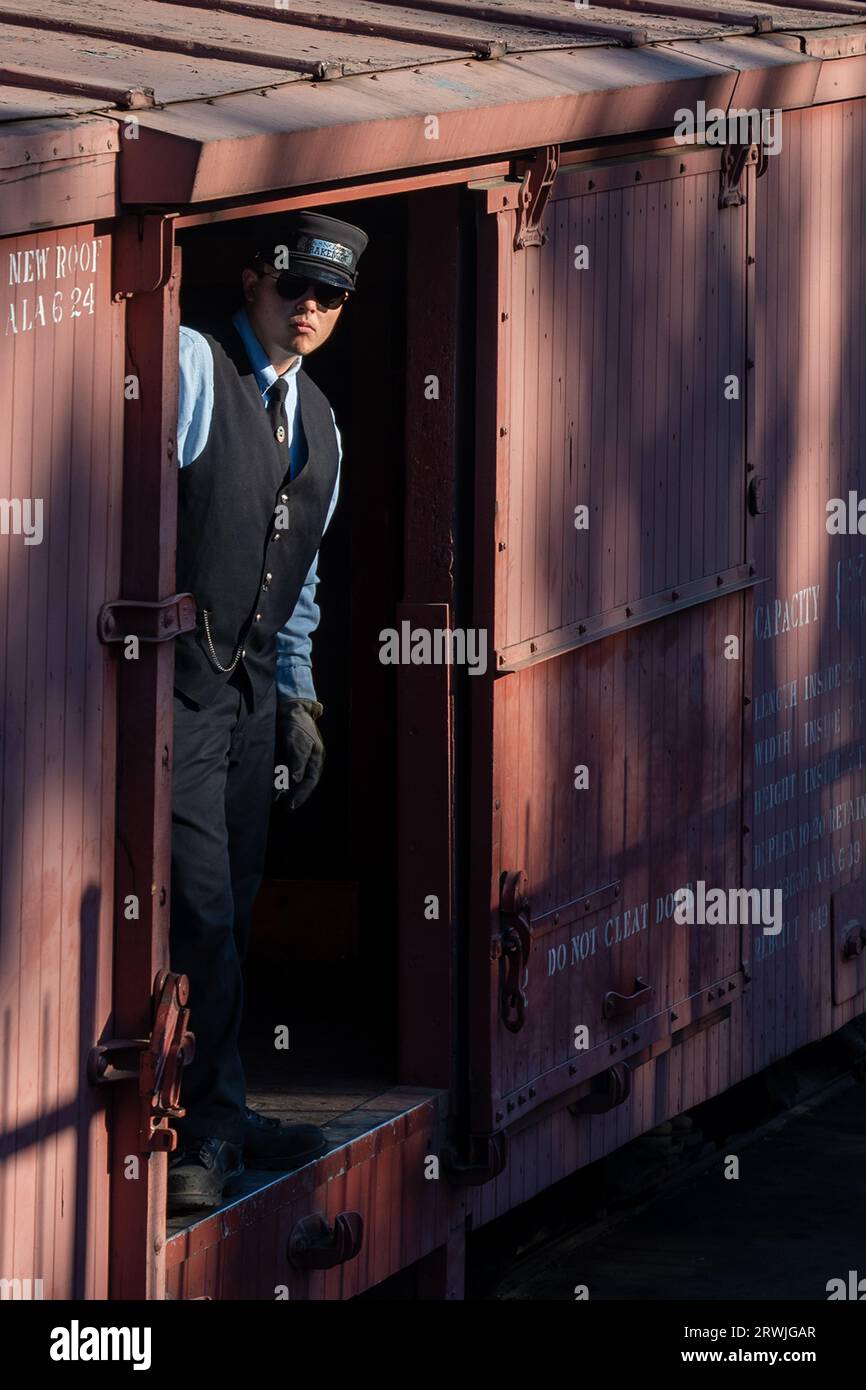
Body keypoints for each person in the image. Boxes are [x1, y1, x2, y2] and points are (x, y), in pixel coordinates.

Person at [166, 212, 369, 1213]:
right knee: (197, 908)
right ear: (252, 280)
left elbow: (304, 573)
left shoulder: (321, 419)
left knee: (234, 906)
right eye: (293, 288)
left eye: (329, 298)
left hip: (247, 697)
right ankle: (198, 1129)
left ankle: (222, 1102)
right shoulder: (192, 369)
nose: (309, 308)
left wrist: (299, 695)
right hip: (173, 693)